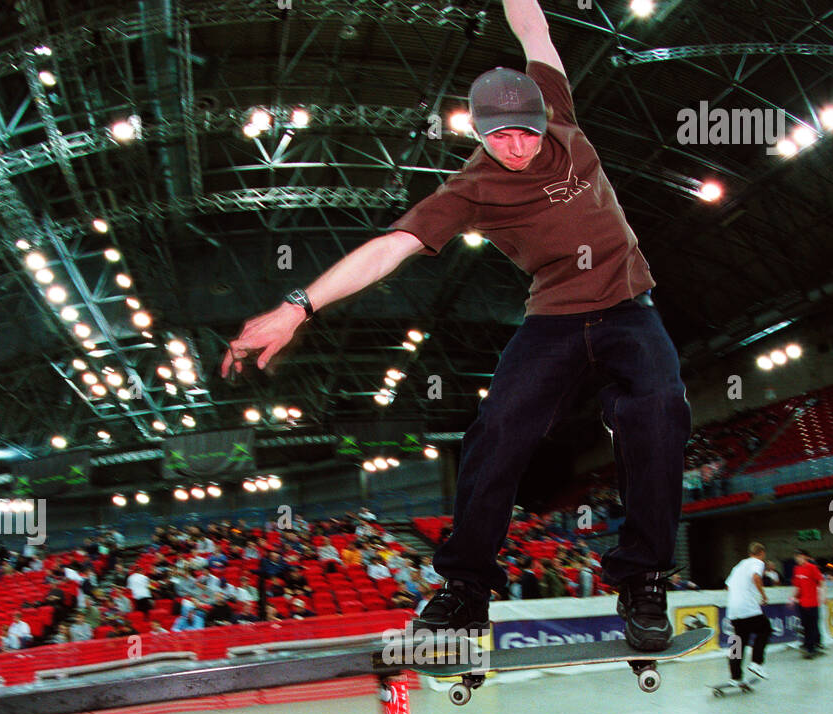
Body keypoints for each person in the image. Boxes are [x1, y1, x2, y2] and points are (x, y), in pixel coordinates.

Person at [222, 0, 690, 652]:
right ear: (477, 133)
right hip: (552, 319)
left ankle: (642, 578)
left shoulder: (556, 108)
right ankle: (466, 588)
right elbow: (391, 247)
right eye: (501, 137)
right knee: (496, 430)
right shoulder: (468, 190)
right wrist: (299, 306)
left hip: (626, 309)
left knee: (660, 408)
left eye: (527, 132)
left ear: (541, 114)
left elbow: (532, 26)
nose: (519, 147)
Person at [724, 542, 771, 685]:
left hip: (733, 609)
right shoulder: (757, 562)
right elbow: (756, 577)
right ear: (761, 553)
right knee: (765, 629)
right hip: (748, 608)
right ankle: (756, 662)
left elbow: (727, 586)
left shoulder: (739, 565)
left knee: (738, 642)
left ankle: (735, 676)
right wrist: (763, 595)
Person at [791, 549, 823, 659]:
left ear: (804, 557)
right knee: (805, 625)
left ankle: (812, 648)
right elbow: (797, 585)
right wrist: (793, 597)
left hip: (812, 602)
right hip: (802, 603)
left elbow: (821, 581)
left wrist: (823, 596)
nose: (797, 559)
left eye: (799, 556)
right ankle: (808, 645)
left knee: (812, 625)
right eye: (796, 557)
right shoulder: (796, 569)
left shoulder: (812, 568)